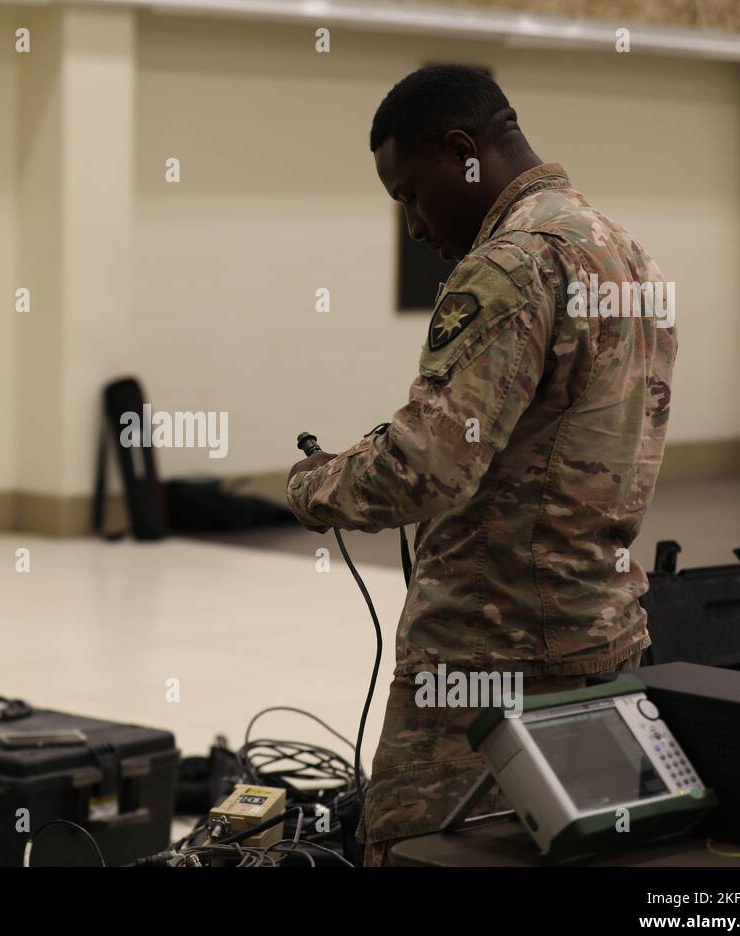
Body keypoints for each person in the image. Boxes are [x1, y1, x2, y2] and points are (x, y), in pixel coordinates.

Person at [285, 65, 677, 867]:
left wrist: (314, 483)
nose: (414, 225)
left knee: (418, 853)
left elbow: (426, 469)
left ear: (463, 152)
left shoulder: (511, 265)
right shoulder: (623, 252)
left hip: (486, 657)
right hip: (601, 639)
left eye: (409, 194)